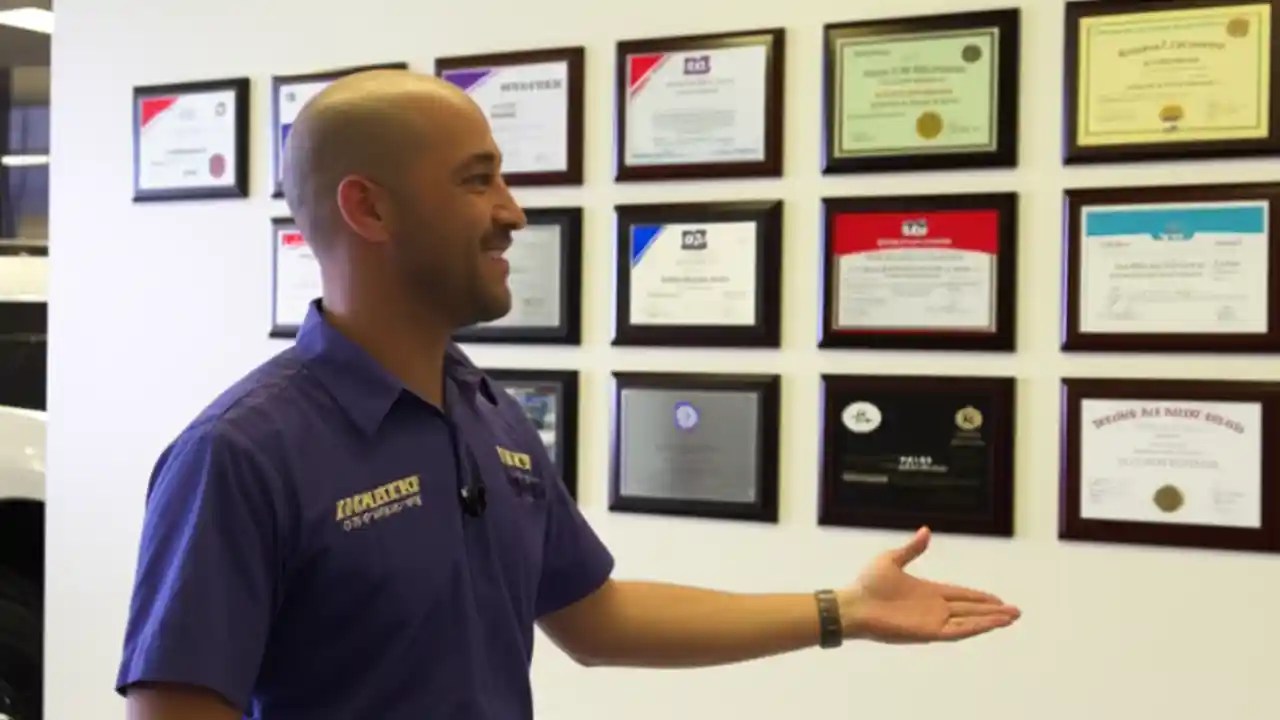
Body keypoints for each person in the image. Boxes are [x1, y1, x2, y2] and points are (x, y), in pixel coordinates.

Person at [114, 69, 1021, 720]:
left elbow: (595, 616)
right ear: (370, 209)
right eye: (478, 180)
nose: (513, 210)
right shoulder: (240, 453)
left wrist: (843, 611)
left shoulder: (485, 412)